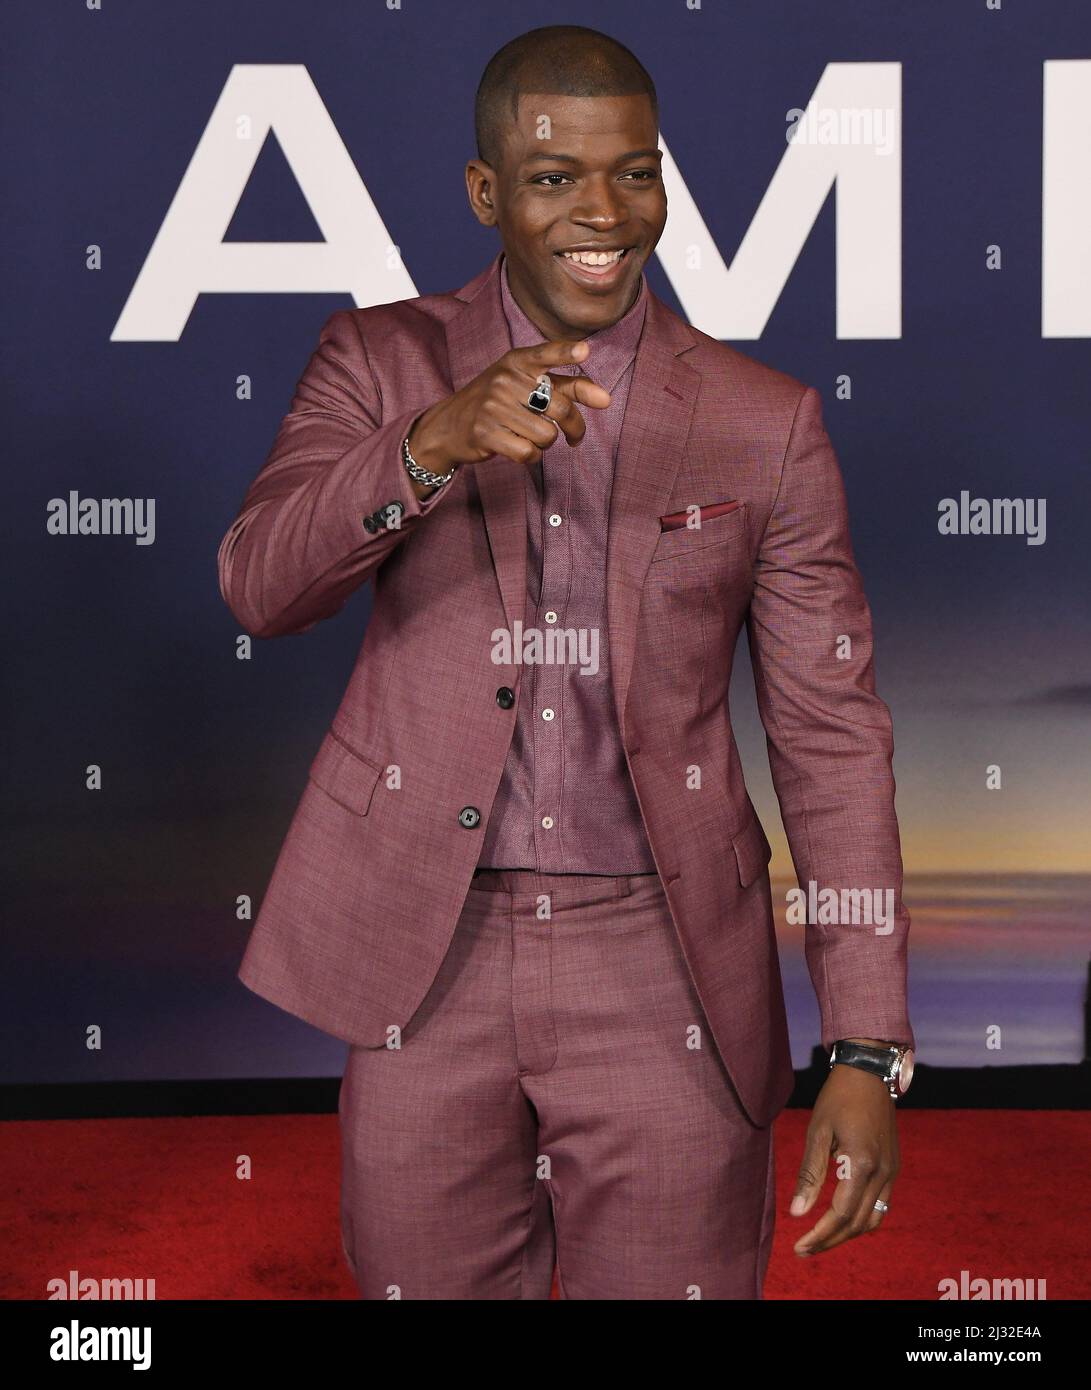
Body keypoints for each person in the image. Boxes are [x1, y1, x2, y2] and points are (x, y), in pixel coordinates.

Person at [217, 23, 915, 1300]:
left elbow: (829, 737)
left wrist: (865, 1043)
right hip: (424, 951)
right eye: (553, 178)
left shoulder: (765, 424)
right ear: (486, 192)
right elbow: (260, 584)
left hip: (665, 959)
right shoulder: (377, 362)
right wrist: (430, 443)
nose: (603, 211)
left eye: (634, 173)